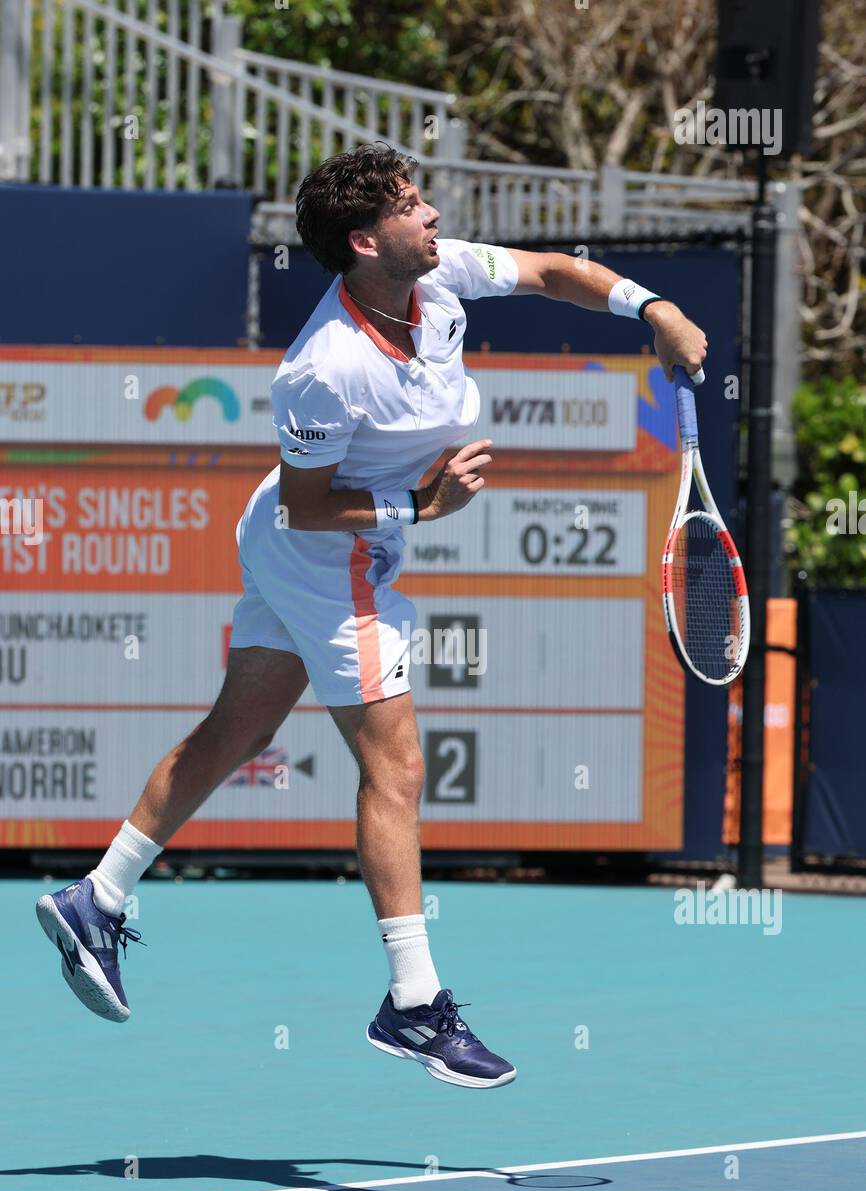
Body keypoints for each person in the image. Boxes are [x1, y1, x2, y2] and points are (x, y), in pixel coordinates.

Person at [36, 143, 707, 1089]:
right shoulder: (324, 368)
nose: (432, 215)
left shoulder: (440, 278)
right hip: (325, 555)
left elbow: (555, 271)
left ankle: (97, 898)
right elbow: (311, 506)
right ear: (364, 240)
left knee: (238, 728)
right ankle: (414, 1002)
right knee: (393, 766)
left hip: (299, 542)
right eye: (411, 205)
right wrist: (423, 509)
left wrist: (655, 308)